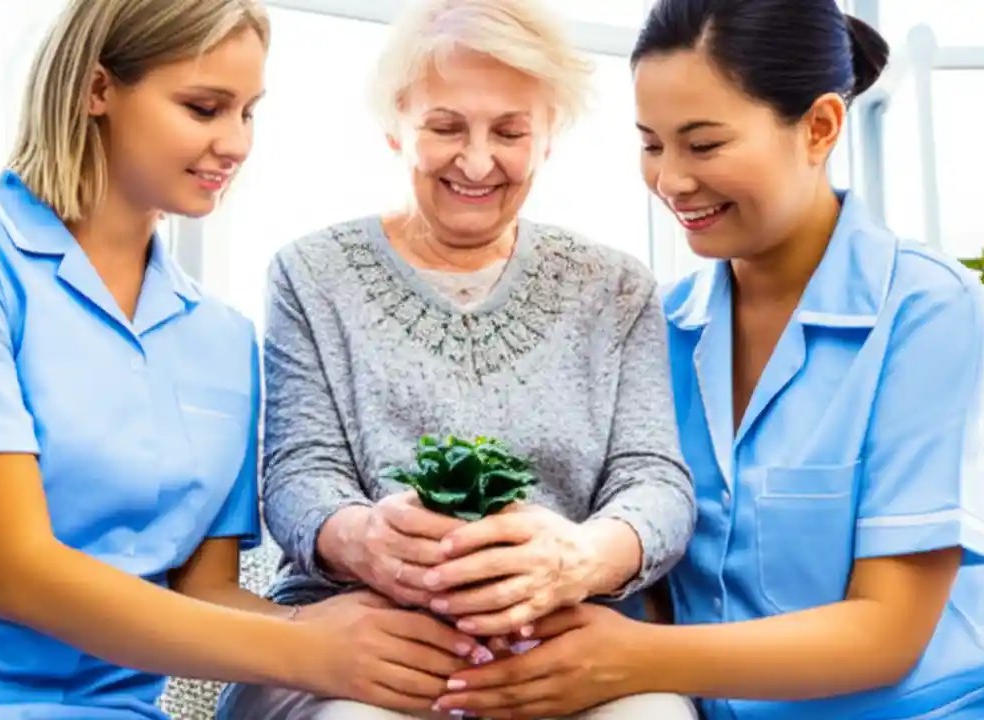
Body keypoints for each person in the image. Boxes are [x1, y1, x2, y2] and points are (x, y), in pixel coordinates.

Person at [0, 1, 483, 717]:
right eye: (204, 107)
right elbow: (14, 571)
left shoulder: (221, 337)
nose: (235, 142)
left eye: (248, 113)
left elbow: (205, 592)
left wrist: (411, 647)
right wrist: (311, 647)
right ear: (97, 91)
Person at [430, 1, 984, 718]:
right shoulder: (658, 327)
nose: (671, 180)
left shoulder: (922, 308)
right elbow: (646, 571)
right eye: (651, 145)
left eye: (703, 145)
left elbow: (887, 633)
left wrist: (625, 657)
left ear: (819, 127)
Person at [216, 1, 699, 718]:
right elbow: (297, 476)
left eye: (510, 131)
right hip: (360, 638)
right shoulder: (311, 274)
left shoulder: (616, 286)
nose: (477, 161)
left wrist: (579, 557)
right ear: (395, 126)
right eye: (445, 128)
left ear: (548, 137)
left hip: (560, 643)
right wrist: (365, 539)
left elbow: (654, 480)